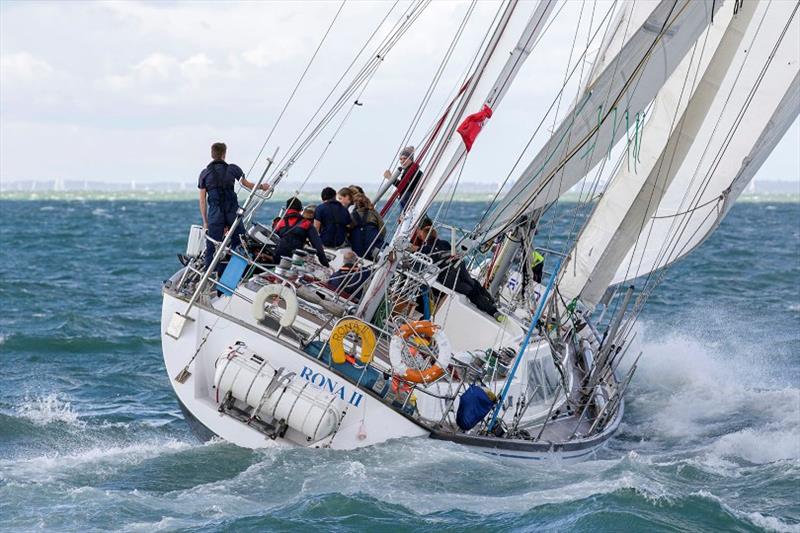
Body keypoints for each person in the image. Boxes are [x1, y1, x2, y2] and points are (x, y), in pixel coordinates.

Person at [198, 142, 270, 273]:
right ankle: (237, 273)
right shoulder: (233, 169)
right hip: (232, 213)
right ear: (224, 154)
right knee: (240, 243)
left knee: (212, 246)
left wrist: (205, 221)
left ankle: (209, 275)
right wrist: (262, 187)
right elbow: (247, 185)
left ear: (212, 154)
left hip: (215, 215)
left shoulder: (204, 174)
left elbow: (202, 201)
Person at [413, 219, 503, 321]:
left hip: (449, 277)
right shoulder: (445, 243)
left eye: (418, 232)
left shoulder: (426, 249)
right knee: (474, 285)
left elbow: (423, 255)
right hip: (459, 268)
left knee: (471, 292)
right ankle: (493, 306)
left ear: (421, 233)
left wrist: (412, 248)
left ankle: (493, 312)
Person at [272, 198, 330, 267]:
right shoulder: (306, 224)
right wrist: (325, 264)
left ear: (287, 209)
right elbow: (318, 246)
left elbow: (273, 239)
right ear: (300, 210)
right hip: (295, 259)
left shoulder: (280, 223)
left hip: (278, 258)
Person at [349, 193, 385, 258]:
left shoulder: (351, 216)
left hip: (357, 249)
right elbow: (383, 230)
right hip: (374, 248)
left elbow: (347, 232)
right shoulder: (374, 213)